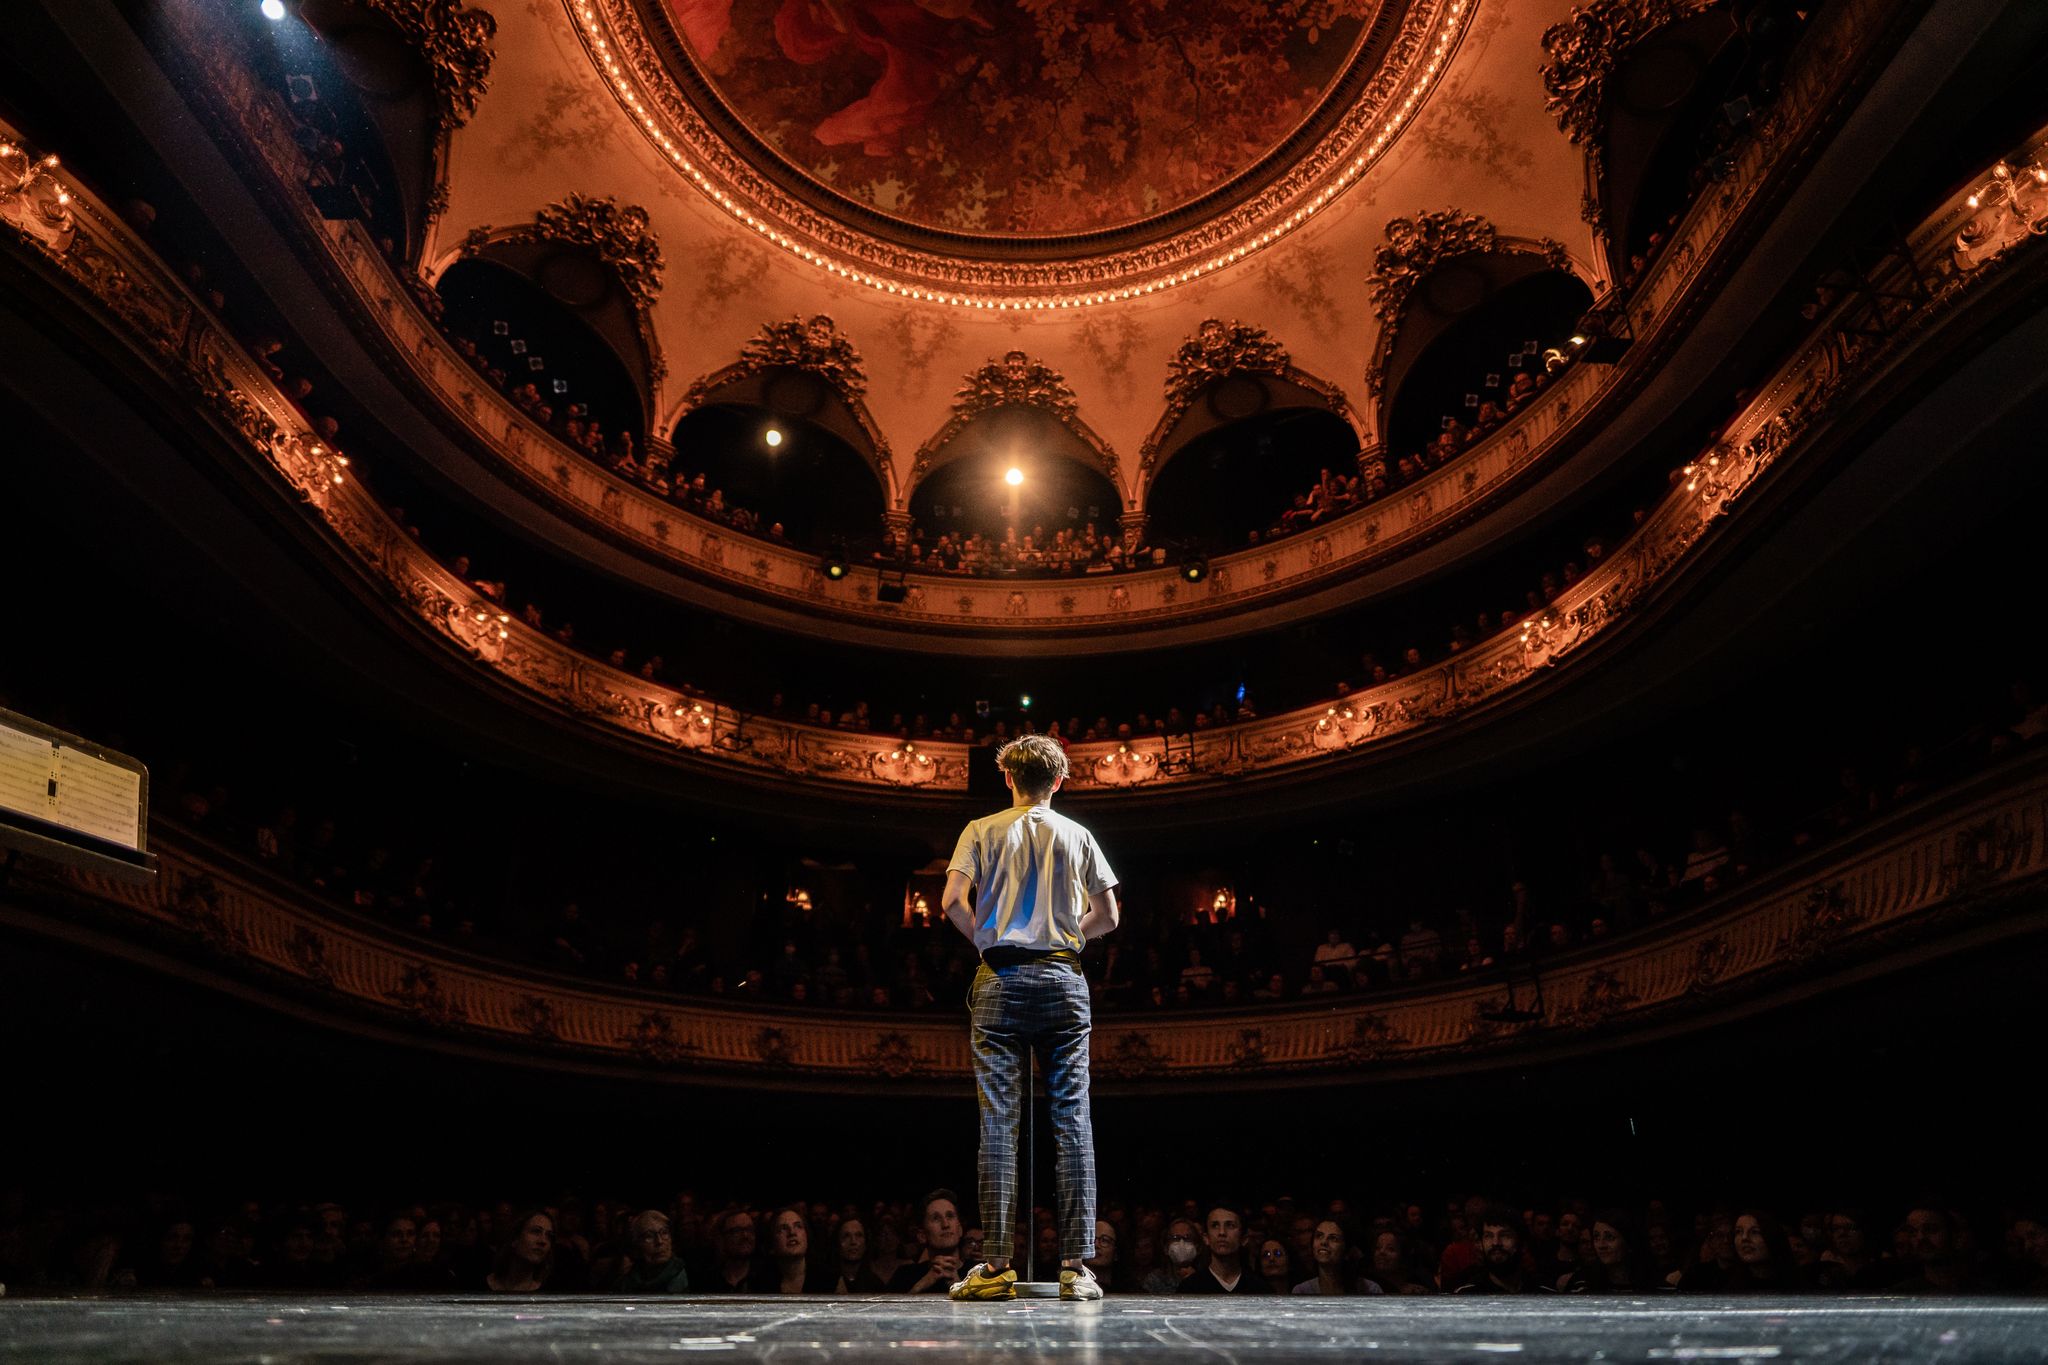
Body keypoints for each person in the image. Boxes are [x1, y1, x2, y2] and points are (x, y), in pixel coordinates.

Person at [940, 735, 1121, 1303]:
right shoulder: (1079, 834)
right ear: (1059, 781)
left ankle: (995, 1265)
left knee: (998, 1121)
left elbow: (950, 902)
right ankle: (1074, 1267)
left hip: (1000, 979)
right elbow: (1110, 916)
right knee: (1073, 1118)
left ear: (1008, 778)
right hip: (1065, 979)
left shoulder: (980, 829)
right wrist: (1070, 937)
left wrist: (988, 942)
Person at [888, 1189, 966, 1293]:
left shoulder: (981, 1273)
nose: (945, 1225)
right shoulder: (904, 1275)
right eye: (936, 1218)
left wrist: (957, 1286)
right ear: (922, 1236)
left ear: (960, 1230)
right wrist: (921, 1285)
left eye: (950, 1216)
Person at [1178, 1205, 1268, 1293]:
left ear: (1244, 1239)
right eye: (1215, 1226)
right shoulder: (1189, 1289)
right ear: (1206, 1238)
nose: (1222, 1232)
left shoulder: (1261, 1289)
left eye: (1230, 1225)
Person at [1450, 1207, 1536, 1294]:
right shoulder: (1466, 1295)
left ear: (1522, 1243)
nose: (1495, 1243)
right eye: (1488, 1236)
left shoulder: (1543, 1292)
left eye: (1505, 1235)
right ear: (1480, 1244)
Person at [610, 1210, 689, 1293]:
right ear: (637, 1244)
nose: (659, 1241)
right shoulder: (627, 1282)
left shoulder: (688, 1273)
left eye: (664, 1233)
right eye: (649, 1236)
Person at [1294, 1219, 1351, 1294]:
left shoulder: (1367, 1288)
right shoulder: (1301, 1291)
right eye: (1319, 1236)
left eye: (1333, 1238)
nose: (1324, 1242)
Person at [831, 1216, 886, 1294]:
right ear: (837, 1243)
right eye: (846, 1236)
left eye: (859, 1235)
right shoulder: (824, 1282)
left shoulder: (876, 1286)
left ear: (866, 1243)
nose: (853, 1242)